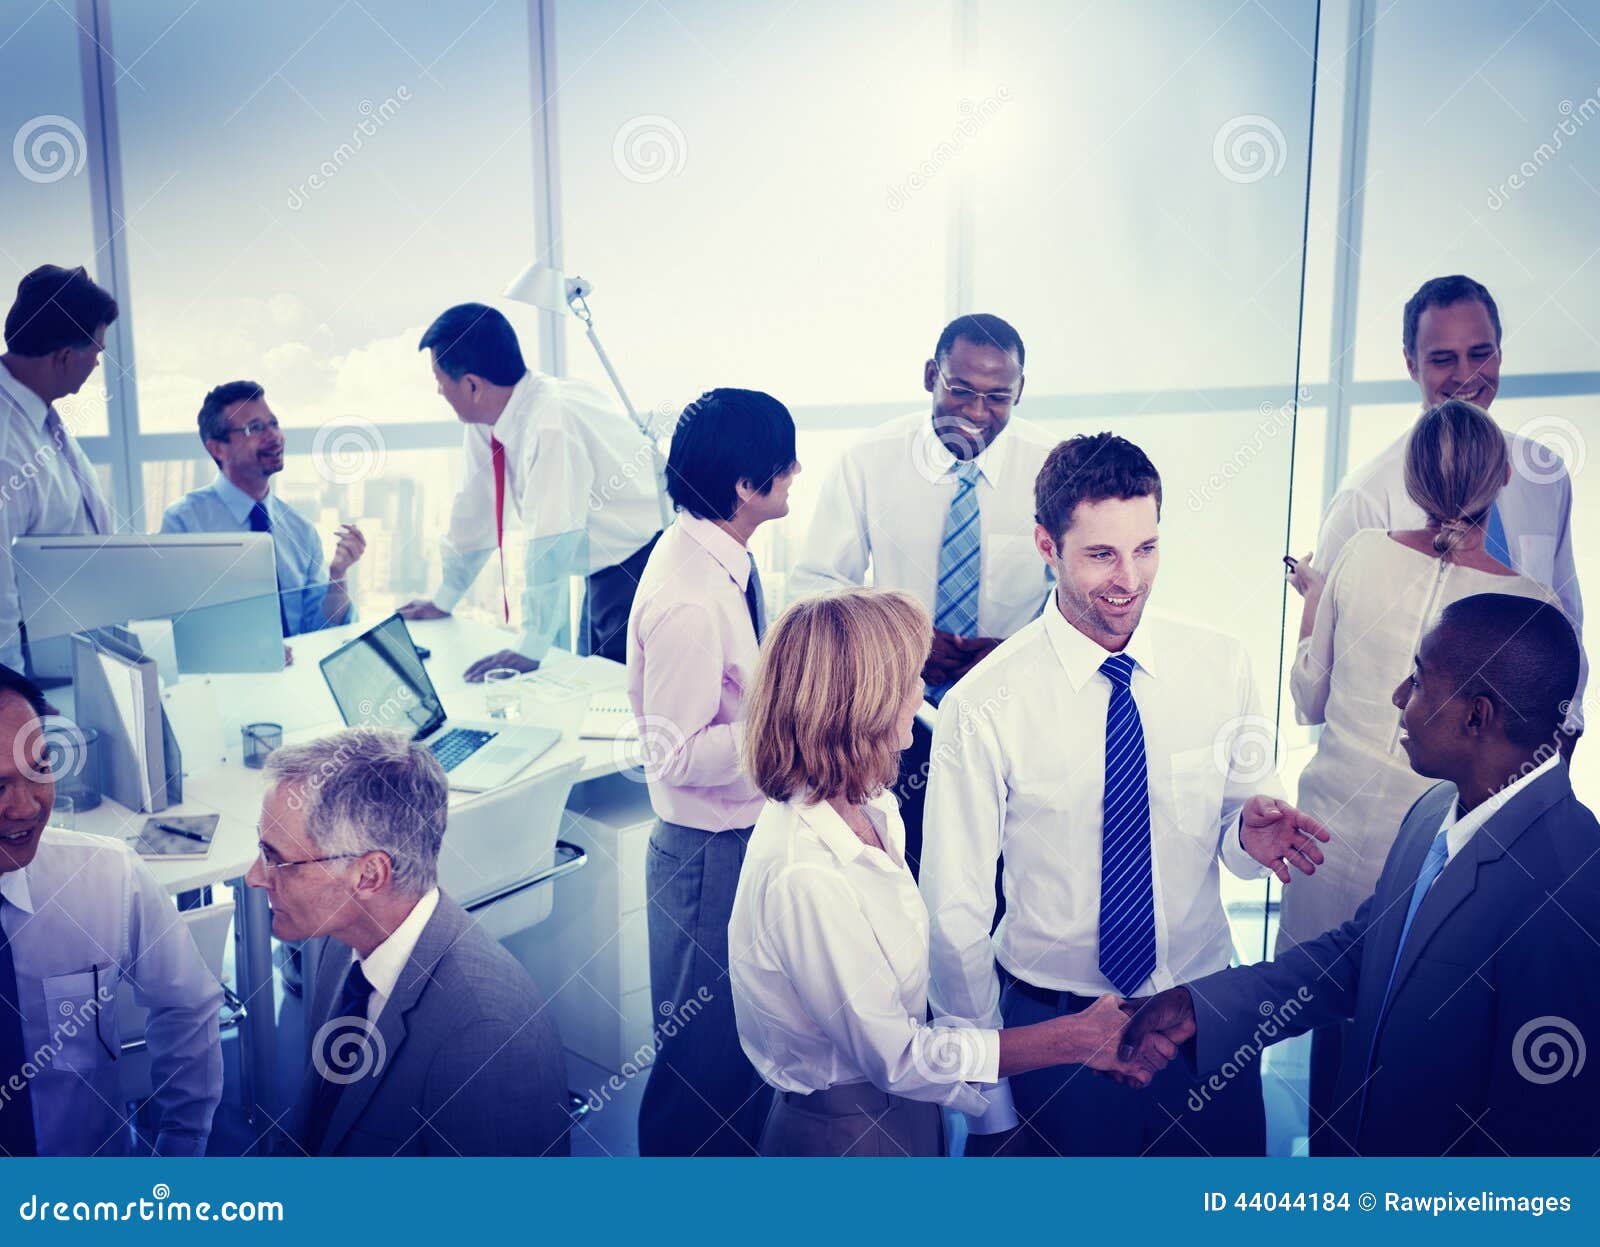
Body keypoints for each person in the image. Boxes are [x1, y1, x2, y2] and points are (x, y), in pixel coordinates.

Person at [920, 433, 1331, 1157]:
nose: (1129, 578)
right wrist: (988, 1105)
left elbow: (1237, 834)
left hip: (1202, 1019)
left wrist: (1246, 837)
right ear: (1046, 544)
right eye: (1101, 554)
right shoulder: (983, 703)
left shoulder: (1220, 663)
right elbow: (954, 915)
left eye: (1145, 548)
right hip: (1055, 1035)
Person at [1121, 595, 1600, 1156]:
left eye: (1419, 682)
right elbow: (1356, 960)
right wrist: (1202, 1007)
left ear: (1477, 715)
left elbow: (1544, 1145)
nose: (1399, 698)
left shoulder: (1573, 882)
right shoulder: (1431, 812)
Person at [729, 589, 1164, 1157]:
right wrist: (1070, 1039)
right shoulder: (805, 876)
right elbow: (899, 1058)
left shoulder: (872, 806)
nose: (920, 695)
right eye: (909, 679)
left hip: (907, 1113)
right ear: (862, 704)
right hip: (846, 1134)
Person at [1285, 399, 1584, 1150]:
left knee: (1331, 1067)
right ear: (1503, 479)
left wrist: (1316, 609)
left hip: (1331, 849)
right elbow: (1547, 758)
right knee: (1431, 1075)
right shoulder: (1535, 607)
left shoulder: (1357, 555)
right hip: (1447, 878)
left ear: (1411, 478)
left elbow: (1307, 698)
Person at [789, 313, 1054, 872]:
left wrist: (1017, 650)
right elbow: (815, 588)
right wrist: (900, 642)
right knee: (903, 871)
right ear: (931, 374)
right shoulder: (870, 459)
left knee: (1007, 877)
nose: (977, 413)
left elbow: (1080, 587)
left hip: (1017, 715)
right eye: (960, 391)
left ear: (1020, 391)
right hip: (894, 724)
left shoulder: (1051, 468)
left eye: (997, 397)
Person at [1290, 274, 1583, 751]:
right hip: (1406, 783)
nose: (1466, 375)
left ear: (1500, 354)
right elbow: (1322, 689)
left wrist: (1563, 738)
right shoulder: (1364, 498)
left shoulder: (1545, 475)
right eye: (1443, 359)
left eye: (1480, 353)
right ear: (1410, 364)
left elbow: (1567, 617)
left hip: (1525, 767)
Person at [250, 728, 569, 1156]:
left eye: (278, 859)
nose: (255, 876)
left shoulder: (487, 1036)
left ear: (369, 875)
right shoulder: (338, 942)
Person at [627, 388, 798, 1156]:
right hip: (707, 860)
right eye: (783, 460)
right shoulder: (692, 597)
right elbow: (672, 752)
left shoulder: (714, 555)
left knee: (738, 1057)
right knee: (704, 1073)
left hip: (733, 844)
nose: (796, 470)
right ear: (743, 485)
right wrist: (781, 729)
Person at [0, 664, 222, 1156]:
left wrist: (179, 1148)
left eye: (40, 769)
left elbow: (188, 1004)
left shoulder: (105, 876)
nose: (27, 807)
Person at [400, 303, 664, 678]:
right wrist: (446, 598)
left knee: (622, 697)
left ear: (472, 385)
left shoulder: (550, 423)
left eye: (440, 379)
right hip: (602, 568)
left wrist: (530, 646)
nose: (438, 389)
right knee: (597, 682)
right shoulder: (487, 419)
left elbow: (551, 540)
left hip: (640, 566)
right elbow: (474, 510)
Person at [161, 381, 366, 639]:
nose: (273, 435)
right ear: (217, 448)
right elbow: (175, 629)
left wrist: (337, 575)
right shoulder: (185, 523)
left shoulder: (300, 529)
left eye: (273, 423)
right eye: (255, 428)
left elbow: (319, 632)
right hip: (221, 678)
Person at [0, 265, 117, 671]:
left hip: (75, 655)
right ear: (66, 356)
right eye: (97, 353)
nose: (98, 365)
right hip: (36, 676)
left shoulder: (39, 414)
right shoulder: (6, 446)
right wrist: (18, 702)